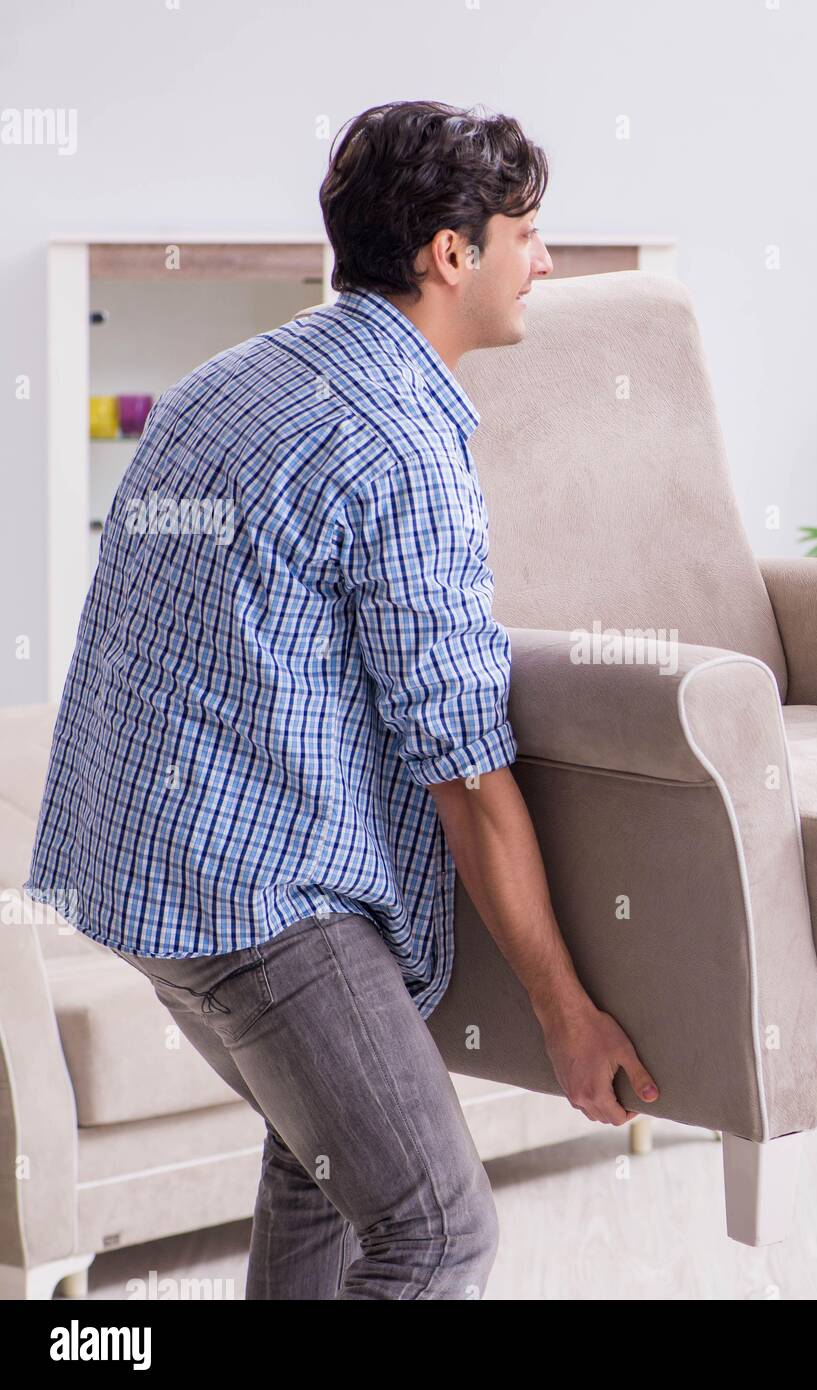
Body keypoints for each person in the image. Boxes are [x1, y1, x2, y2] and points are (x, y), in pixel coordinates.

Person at [23, 100, 658, 1300]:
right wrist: (565, 1008)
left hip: (135, 873)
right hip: (258, 903)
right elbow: (466, 770)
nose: (546, 261)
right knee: (439, 1231)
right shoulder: (404, 443)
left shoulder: (231, 376)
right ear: (451, 253)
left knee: (321, 1171)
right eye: (527, 233)